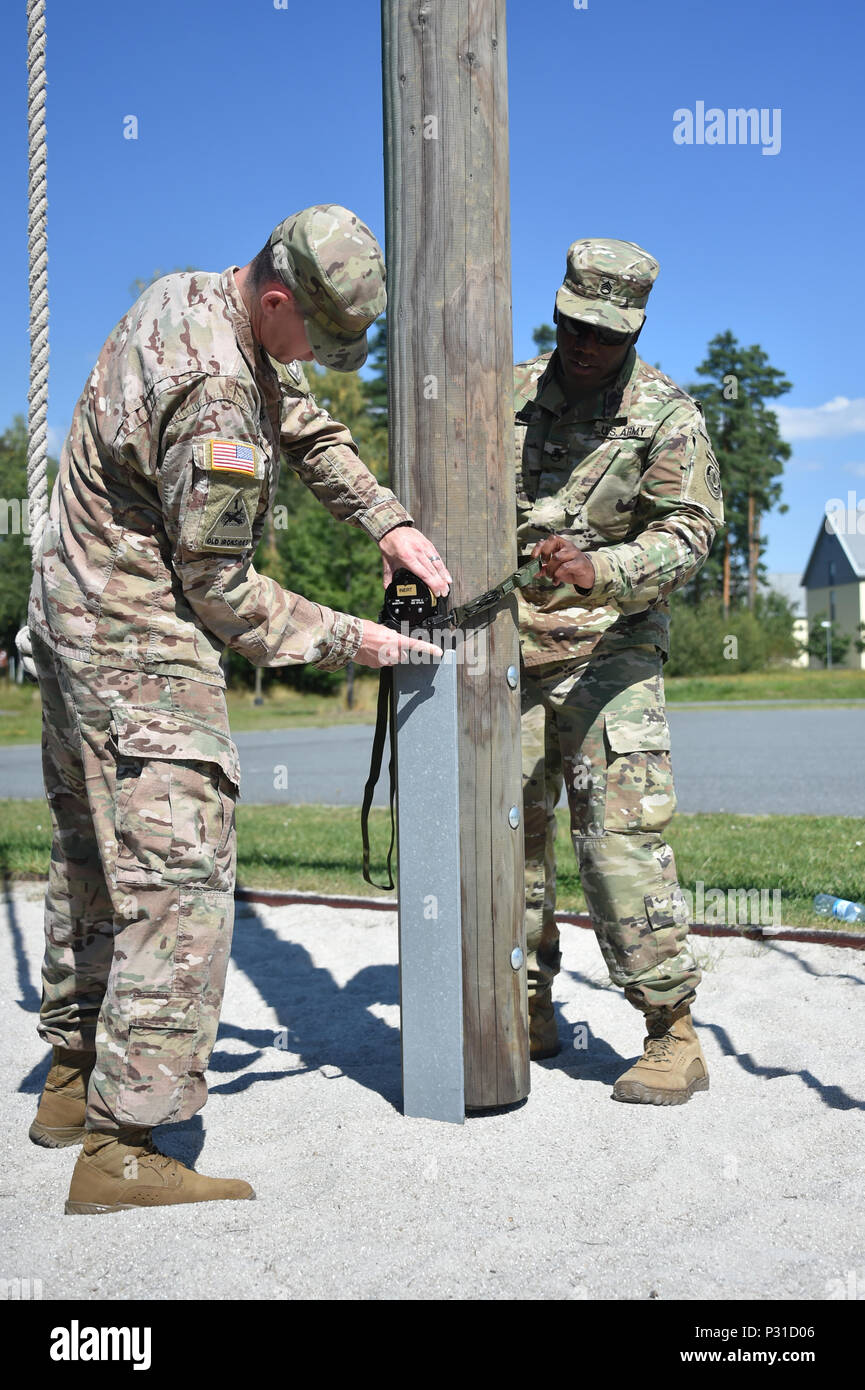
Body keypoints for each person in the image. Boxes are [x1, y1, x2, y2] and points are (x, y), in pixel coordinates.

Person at [25, 204, 449, 1212]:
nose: (329, 362)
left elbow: (301, 417)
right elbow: (221, 593)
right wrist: (356, 638)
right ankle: (124, 1146)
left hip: (68, 614)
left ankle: (71, 1079)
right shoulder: (214, 386)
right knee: (182, 875)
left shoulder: (189, 294)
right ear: (275, 297)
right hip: (137, 634)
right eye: (322, 337)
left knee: (93, 850)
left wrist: (383, 520)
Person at [516, 238, 724, 1103]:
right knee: (502, 837)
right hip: (510, 648)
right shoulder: (510, 394)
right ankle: (518, 1002)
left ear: (633, 329)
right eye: (571, 325)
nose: (582, 345)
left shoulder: (667, 418)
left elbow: (690, 534)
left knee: (619, 840)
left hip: (612, 649)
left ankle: (670, 1029)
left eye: (601, 333)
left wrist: (601, 570)